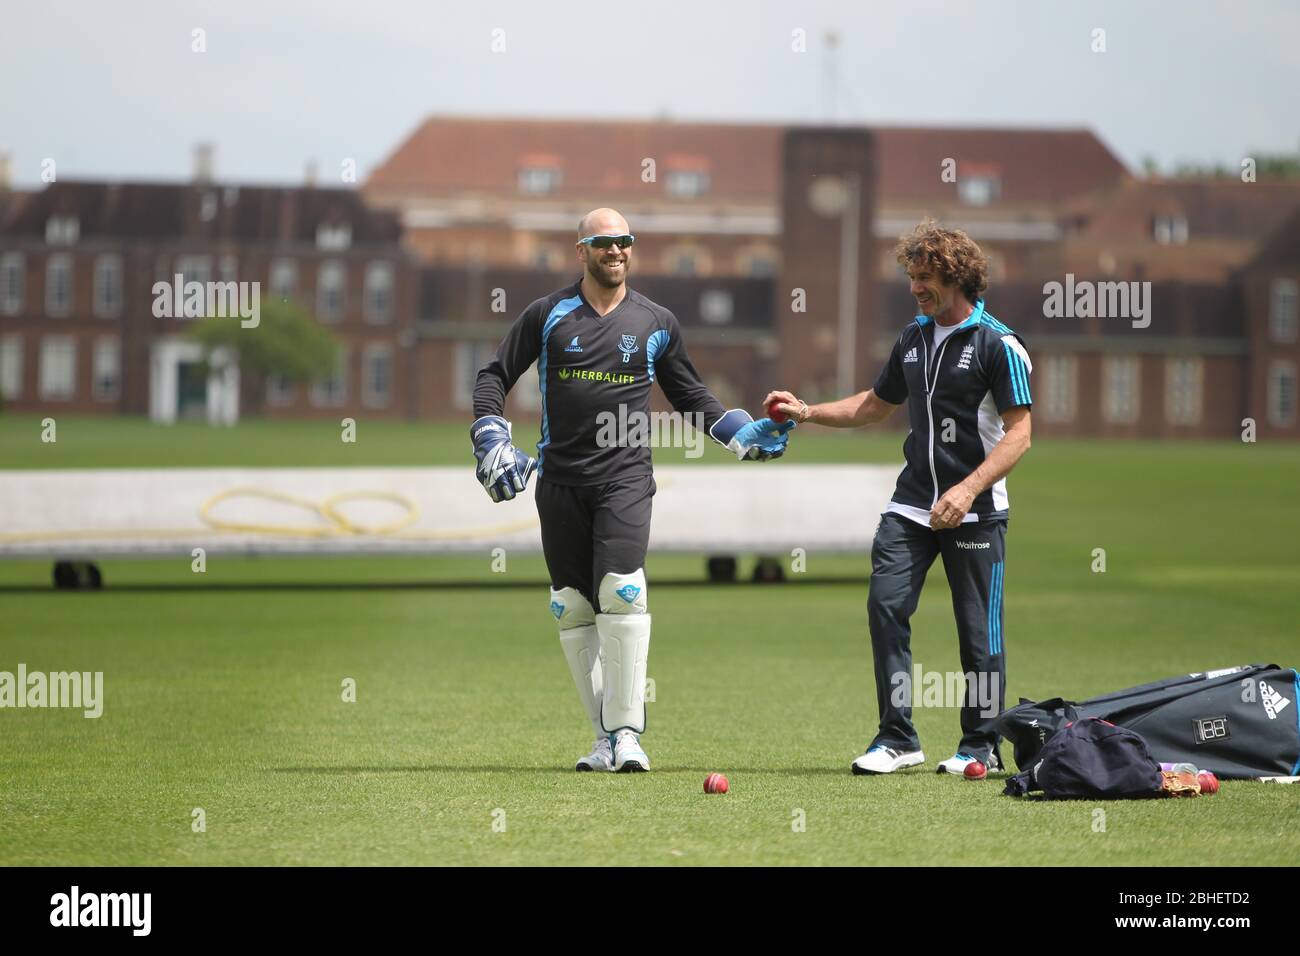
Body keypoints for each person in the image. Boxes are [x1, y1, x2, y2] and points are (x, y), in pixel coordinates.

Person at [471, 207, 794, 773]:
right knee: (571, 607)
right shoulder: (548, 314)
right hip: (560, 483)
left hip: (624, 480)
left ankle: (627, 735)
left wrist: (744, 435)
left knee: (622, 592)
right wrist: (491, 435)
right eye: (604, 243)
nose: (616, 251)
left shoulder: (656, 321)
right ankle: (601, 737)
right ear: (582, 251)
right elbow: (494, 375)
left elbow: (693, 397)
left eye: (625, 241)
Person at [767, 220, 1033, 776]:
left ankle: (979, 745)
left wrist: (967, 488)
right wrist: (807, 412)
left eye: (925, 278)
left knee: (978, 633)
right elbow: (874, 404)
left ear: (957, 277)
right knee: (885, 607)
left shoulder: (999, 345)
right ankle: (897, 738)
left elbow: (1020, 434)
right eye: (912, 277)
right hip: (910, 506)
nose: (915, 288)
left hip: (976, 513)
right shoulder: (913, 338)